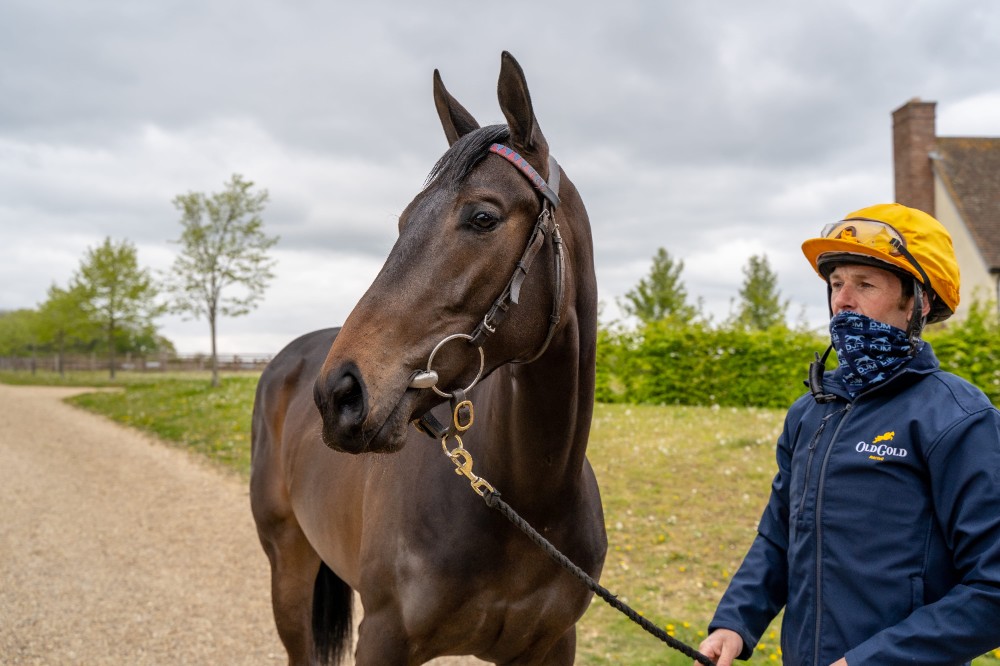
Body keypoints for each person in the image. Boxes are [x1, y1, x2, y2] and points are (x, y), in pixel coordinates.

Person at [698, 203, 1000, 665]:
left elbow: (992, 589)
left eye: (865, 284)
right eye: (836, 284)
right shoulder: (810, 412)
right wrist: (735, 622)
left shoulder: (958, 418)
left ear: (917, 301)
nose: (842, 300)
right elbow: (779, 536)